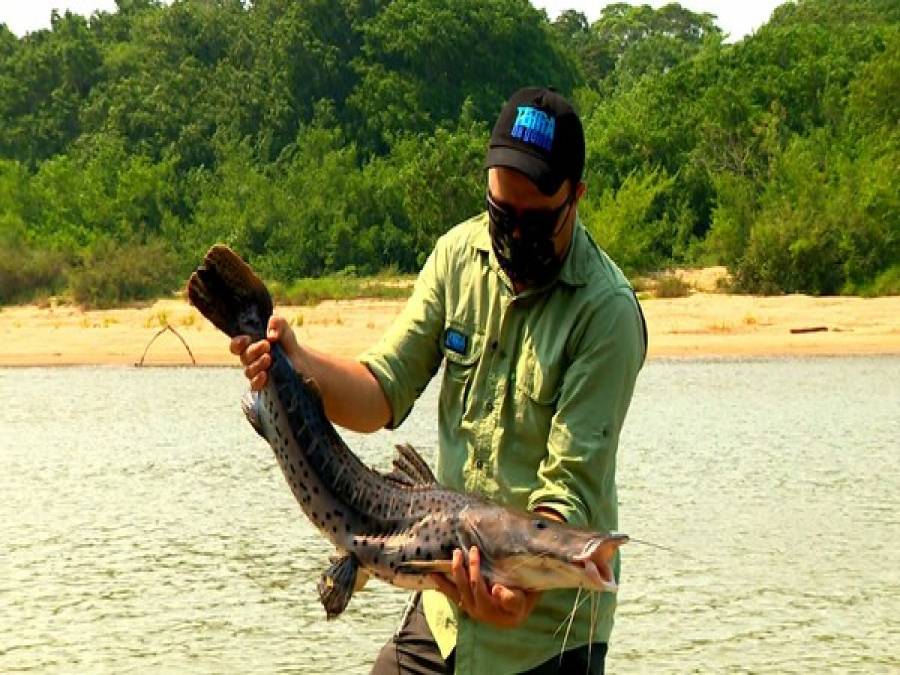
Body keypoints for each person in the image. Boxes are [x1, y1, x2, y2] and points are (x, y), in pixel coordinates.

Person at [231, 87, 647, 675]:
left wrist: (513, 596)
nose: (514, 235)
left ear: (576, 197)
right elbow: (380, 391)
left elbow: (568, 492)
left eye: (536, 221)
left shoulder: (606, 313)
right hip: (444, 612)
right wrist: (295, 361)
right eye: (502, 215)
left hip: (546, 641)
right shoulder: (457, 256)